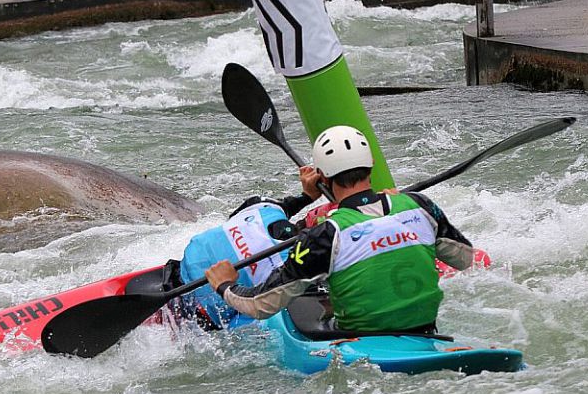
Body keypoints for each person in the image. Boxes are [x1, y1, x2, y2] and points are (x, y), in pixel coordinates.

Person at [204, 125, 475, 333]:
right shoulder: (419, 206)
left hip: (362, 341)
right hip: (426, 331)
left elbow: (260, 306)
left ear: (322, 178)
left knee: (305, 297)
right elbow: (465, 259)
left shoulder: (324, 235)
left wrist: (225, 284)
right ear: (371, 166)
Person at [167, 165, 324, 329]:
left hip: (177, 273)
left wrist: (306, 197)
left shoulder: (262, 207)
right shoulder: (297, 264)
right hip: (207, 320)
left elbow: (275, 209)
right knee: (271, 308)